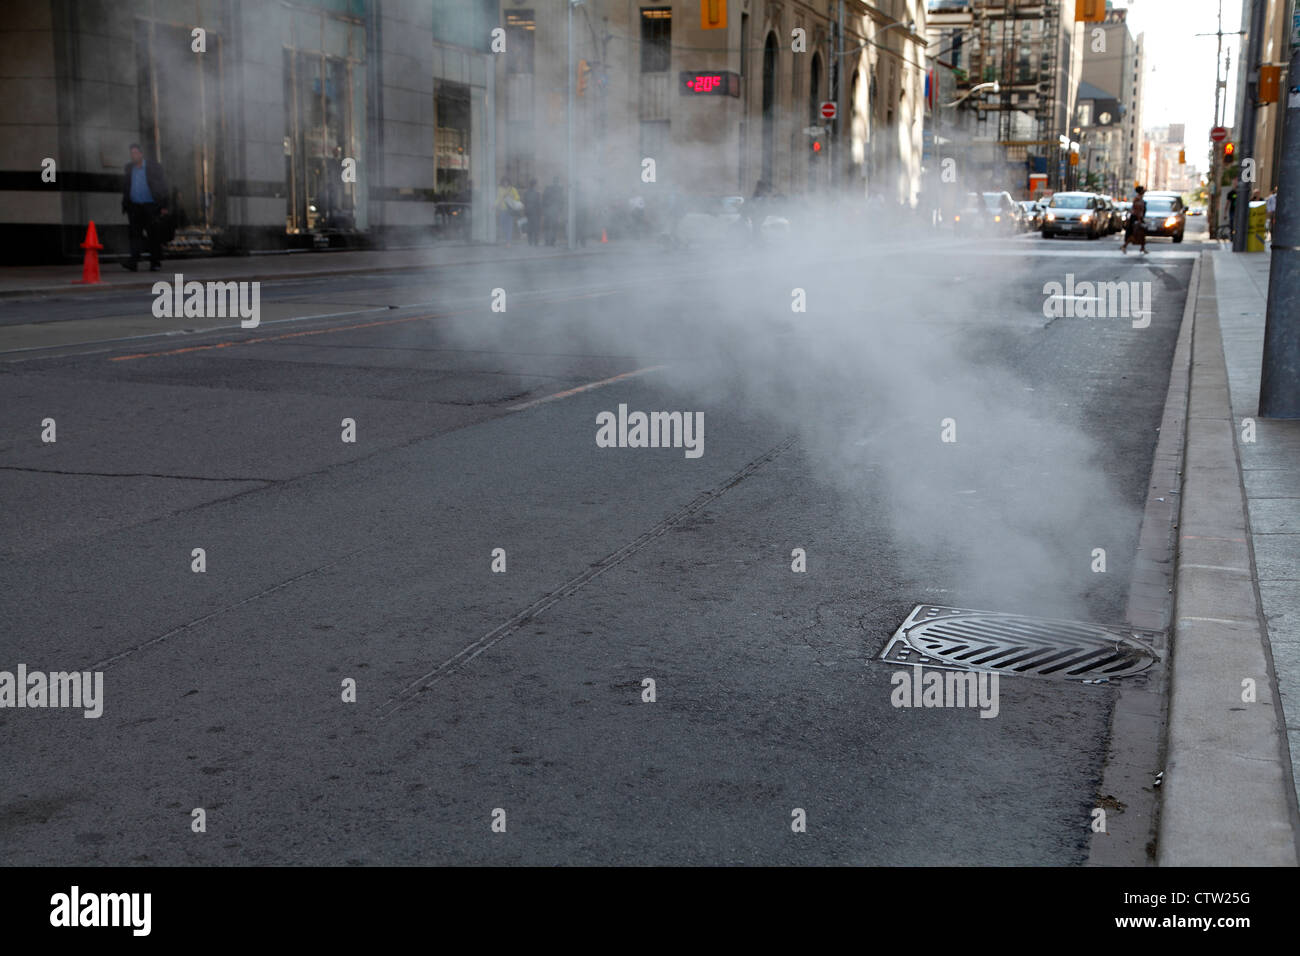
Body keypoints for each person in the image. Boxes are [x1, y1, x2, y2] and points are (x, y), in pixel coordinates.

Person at [121, 143, 169, 272]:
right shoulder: (129, 168)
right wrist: (126, 204)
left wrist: (164, 205)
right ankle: (134, 261)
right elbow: (126, 186)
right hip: (135, 207)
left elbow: (163, 186)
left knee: (153, 235)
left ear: (141, 154)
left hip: (150, 206)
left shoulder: (153, 168)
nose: (134, 156)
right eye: (132, 153)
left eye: (136, 153)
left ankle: (155, 262)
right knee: (134, 235)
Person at [1122, 185, 1147, 254]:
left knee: (1142, 233)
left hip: (1138, 217)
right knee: (1135, 233)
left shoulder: (1140, 198)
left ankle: (1142, 247)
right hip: (1136, 217)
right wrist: (1139, 219)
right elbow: (1137, 210)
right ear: (1140, 191)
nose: (1144, 190)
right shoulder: (1138, 198)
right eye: (1143, 189)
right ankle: (1124, 246)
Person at [495, 177, 520, 246]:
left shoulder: (512, 189)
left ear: (509, 182)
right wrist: (494, 205)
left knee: (509, 225)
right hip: (503, 209)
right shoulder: (500, 189)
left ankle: (508, 241)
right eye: (504, 182)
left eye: (507, 182)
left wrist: (511, 197)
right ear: (502, 182)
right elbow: (498, 198)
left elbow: (517, 197)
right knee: (502, 224)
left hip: (510, 209)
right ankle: (506, 238)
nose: (505, 183)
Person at [542, 176, 564, 246]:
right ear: (557, 181)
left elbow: (543, 199)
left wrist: (544, 209)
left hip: (548, 210)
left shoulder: (548, 188)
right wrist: (560, 211)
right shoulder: (560, 189)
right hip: (554, 211)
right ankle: (552, 241)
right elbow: (561, 201)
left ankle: (547, 241)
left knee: (548, 226)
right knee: (554, 227)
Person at [522, 179, 542, 246]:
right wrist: (540, 214)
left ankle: (530, 242)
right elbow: (539, 204)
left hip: (528, 212)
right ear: (535, 185)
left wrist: (524, 212)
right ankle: (536, 242)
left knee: (529, 228)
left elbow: (524, 203)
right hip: (535, 213)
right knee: (535, 228)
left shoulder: (526, 193)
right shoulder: (537, 193)